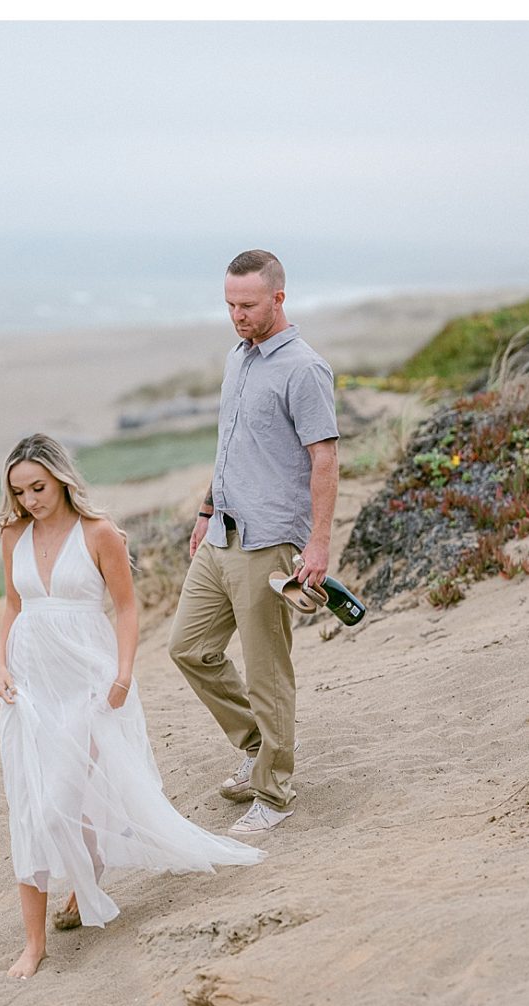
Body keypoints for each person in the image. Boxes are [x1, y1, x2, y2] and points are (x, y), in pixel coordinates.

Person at [0, 433, 263, 980]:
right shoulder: (14, 534)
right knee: (31, 804)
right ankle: (34, 942)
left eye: (38, 488)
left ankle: (86, 875)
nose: (29, 501)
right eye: (19, 492)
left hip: (88, 681)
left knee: (62, 799)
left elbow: (126, 608)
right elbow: (14, 603)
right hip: (30, 686)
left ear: (63, 479)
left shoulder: (100, 534)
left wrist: (122, 673)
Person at [168, 250, 339, 835]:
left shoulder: (305, 369)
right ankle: (253, 749)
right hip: (220, 534)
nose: (237, 316)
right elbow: (230, 446)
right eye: (229, 305)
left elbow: (325, 460)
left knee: (268, 673)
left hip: (270, 543)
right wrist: (205, 509)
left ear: (278, 299)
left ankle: (273, 791)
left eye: (247, 305)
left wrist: (318, 545)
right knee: (188, 648)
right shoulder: (237, 359)